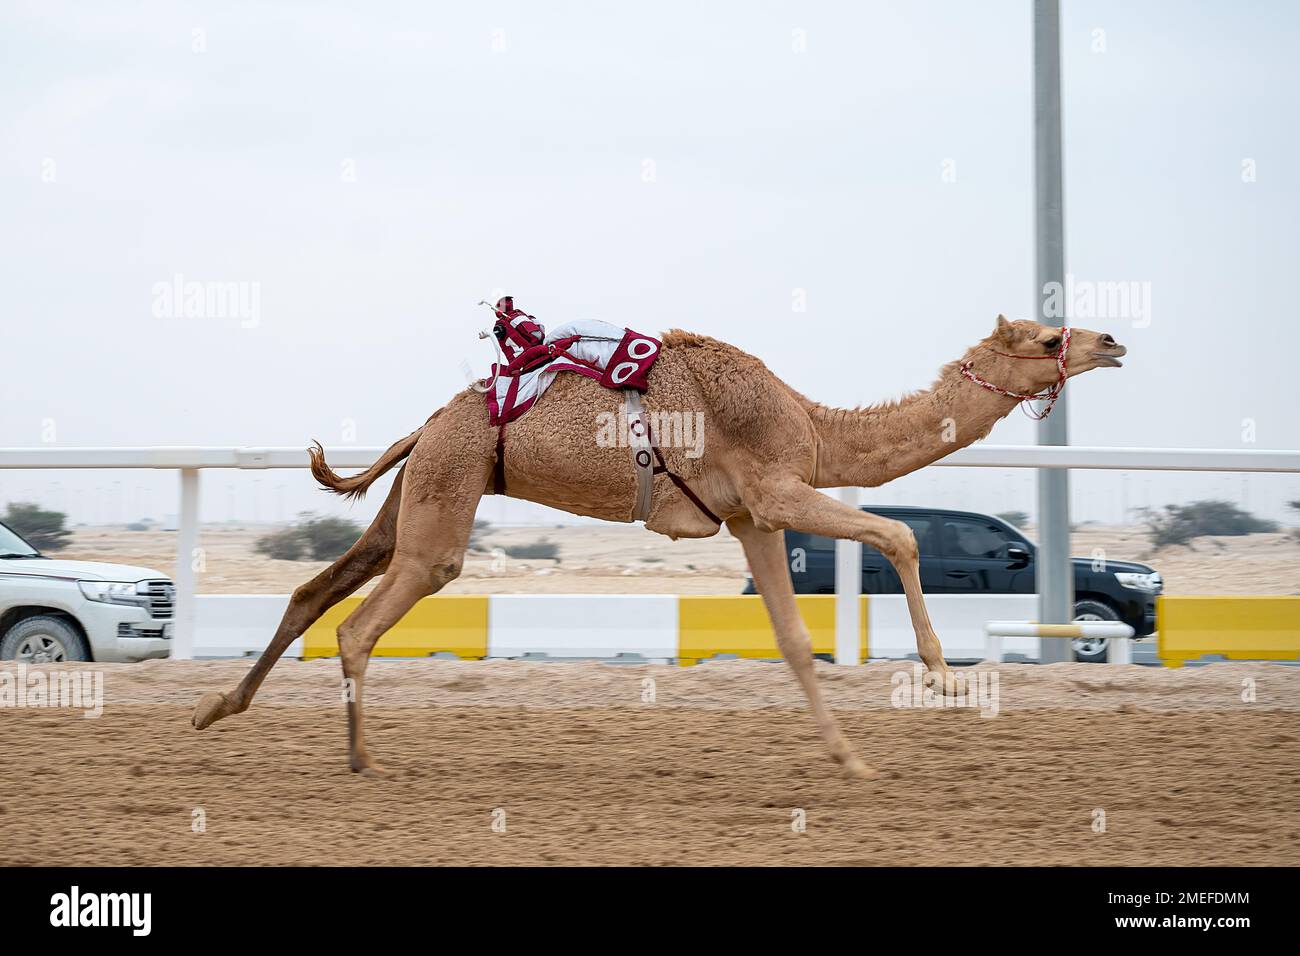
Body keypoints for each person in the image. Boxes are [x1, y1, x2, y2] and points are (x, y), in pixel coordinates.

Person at [491, 296, 546, 369]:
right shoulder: (523, 315)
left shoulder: (504, 322)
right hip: (534, 352)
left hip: (521, 360)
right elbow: (539, 332)